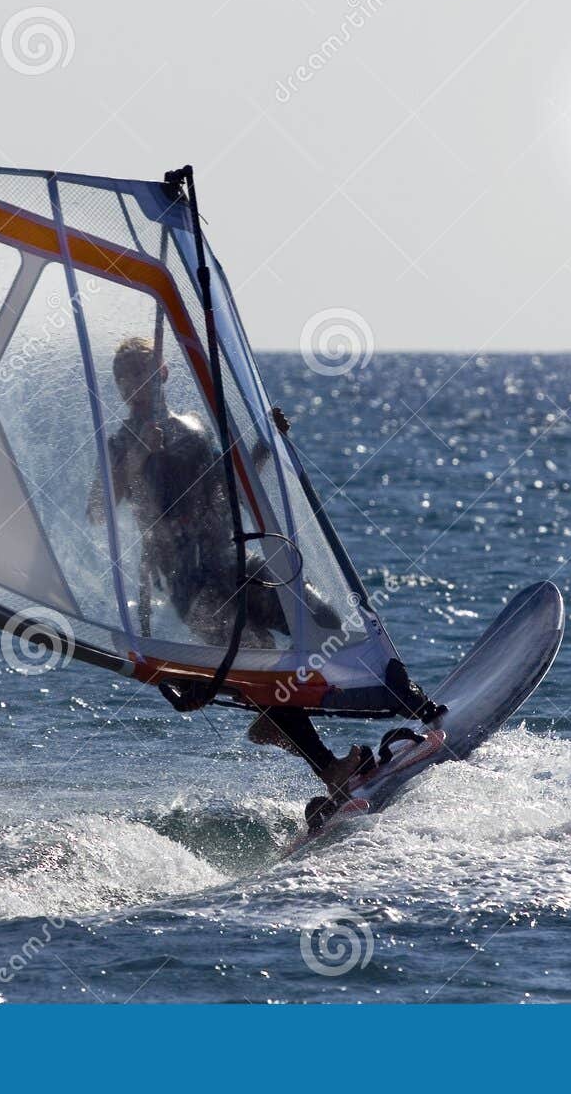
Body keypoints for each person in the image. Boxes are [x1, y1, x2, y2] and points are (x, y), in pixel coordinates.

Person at [89, 336, 374, 798]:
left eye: (143, 372)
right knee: (258, 660)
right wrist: (139, 457)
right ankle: (327, 767)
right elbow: (98, 511)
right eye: (126, 378)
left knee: (323, 621)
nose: (135, 384)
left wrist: (265, 447)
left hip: (234, 561)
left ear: (162, 373)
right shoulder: (120, 444)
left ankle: (274, 721)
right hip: (190, 585)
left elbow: (230, 489)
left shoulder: (194, 426)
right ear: (120, 388)